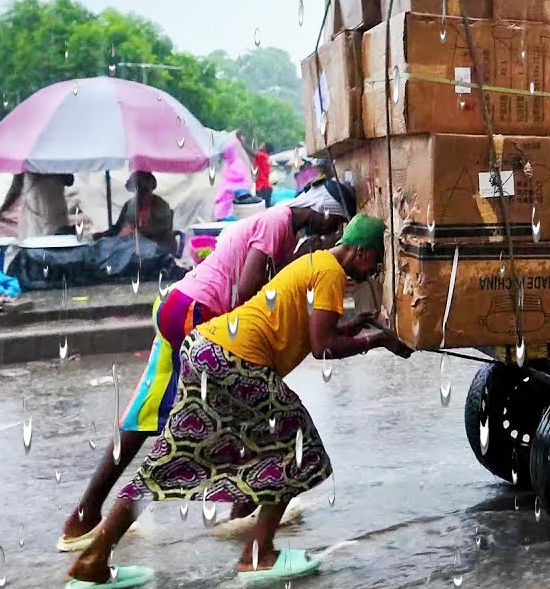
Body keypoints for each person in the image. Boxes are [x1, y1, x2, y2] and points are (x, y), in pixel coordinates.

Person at [63, 215, 408, 589]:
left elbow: (309, 330)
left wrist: (355, 327)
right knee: (299, 450)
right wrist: (377, 342)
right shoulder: (329, 273)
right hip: (235, 361)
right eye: (375, 260)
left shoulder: (314, 261)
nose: (375, 269)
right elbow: (322, 347)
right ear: (359, 251)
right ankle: (257, 552)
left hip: (205, 349)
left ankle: (94, 559)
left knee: (171, 459)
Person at [58, 180, 358, 551]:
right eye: (337, 225)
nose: (335, 235)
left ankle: (85, 515)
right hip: (197, 315)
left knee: (146, 415)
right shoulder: (277, 222)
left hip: (179, 305)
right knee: (221, 419)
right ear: (327, 211)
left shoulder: (285, 229)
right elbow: (249, 295)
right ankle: (242, 508)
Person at [95, 171, 176, 254]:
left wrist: (138, 230)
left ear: (150, 189)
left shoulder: (160, 204)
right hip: (133, 247)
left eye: (145, 190)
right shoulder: (130, 205)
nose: (142, 194)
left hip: (159, 247)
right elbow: (118, 227)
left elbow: (164, 228)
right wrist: (102, 235)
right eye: (139, 190)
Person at [0, 172, 75, 237]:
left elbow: (16, 188)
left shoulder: (30, 159)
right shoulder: (29, 159)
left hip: (50, 212)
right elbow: (69, 180)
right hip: (37, 213)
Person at [254, 143, 274, 207]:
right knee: (266, 207)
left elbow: (252, 153)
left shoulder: (262, 156)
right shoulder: (266, 157)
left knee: (261, 208)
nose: (260, 146)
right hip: (266, 187)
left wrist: (242, 144)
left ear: (265, 148)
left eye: (262, 145)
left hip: (262, 187)